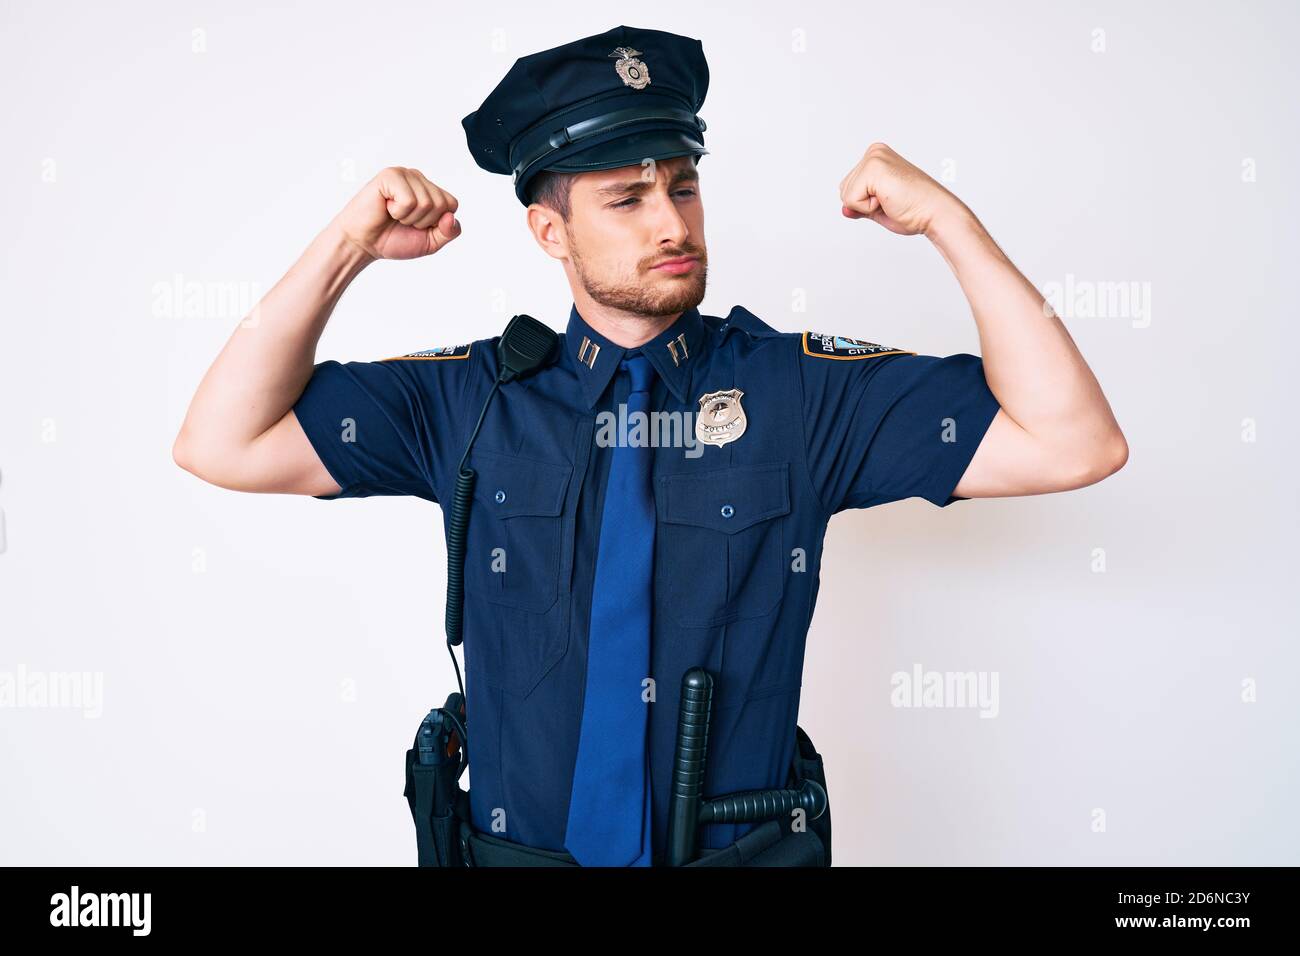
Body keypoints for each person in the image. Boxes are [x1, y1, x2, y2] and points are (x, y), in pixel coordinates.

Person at [172, 24, 1128, 866]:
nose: (674, 223)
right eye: (627, 201)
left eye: (683, 187)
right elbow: (224, 441)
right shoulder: (470, 396)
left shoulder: (798, 390)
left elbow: (1073, 442)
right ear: (551, 232)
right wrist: (345, 245)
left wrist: (949, 226)